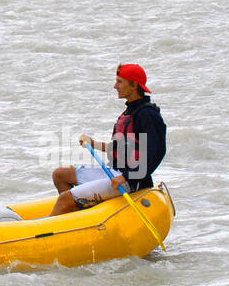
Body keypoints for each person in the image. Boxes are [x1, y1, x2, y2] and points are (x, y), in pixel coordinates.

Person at [49, 63, 167, 216]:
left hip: (131, 181)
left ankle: (45, 231)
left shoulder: (147, 115)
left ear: (133, 86)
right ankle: (78, 216)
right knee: (60, 175)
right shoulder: (131, 111)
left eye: (120, 82)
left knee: (65, 199)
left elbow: (156, 152)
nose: (115, 86)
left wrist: (126, 177)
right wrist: (93, 143)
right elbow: (121, 148)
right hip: (115, 172)